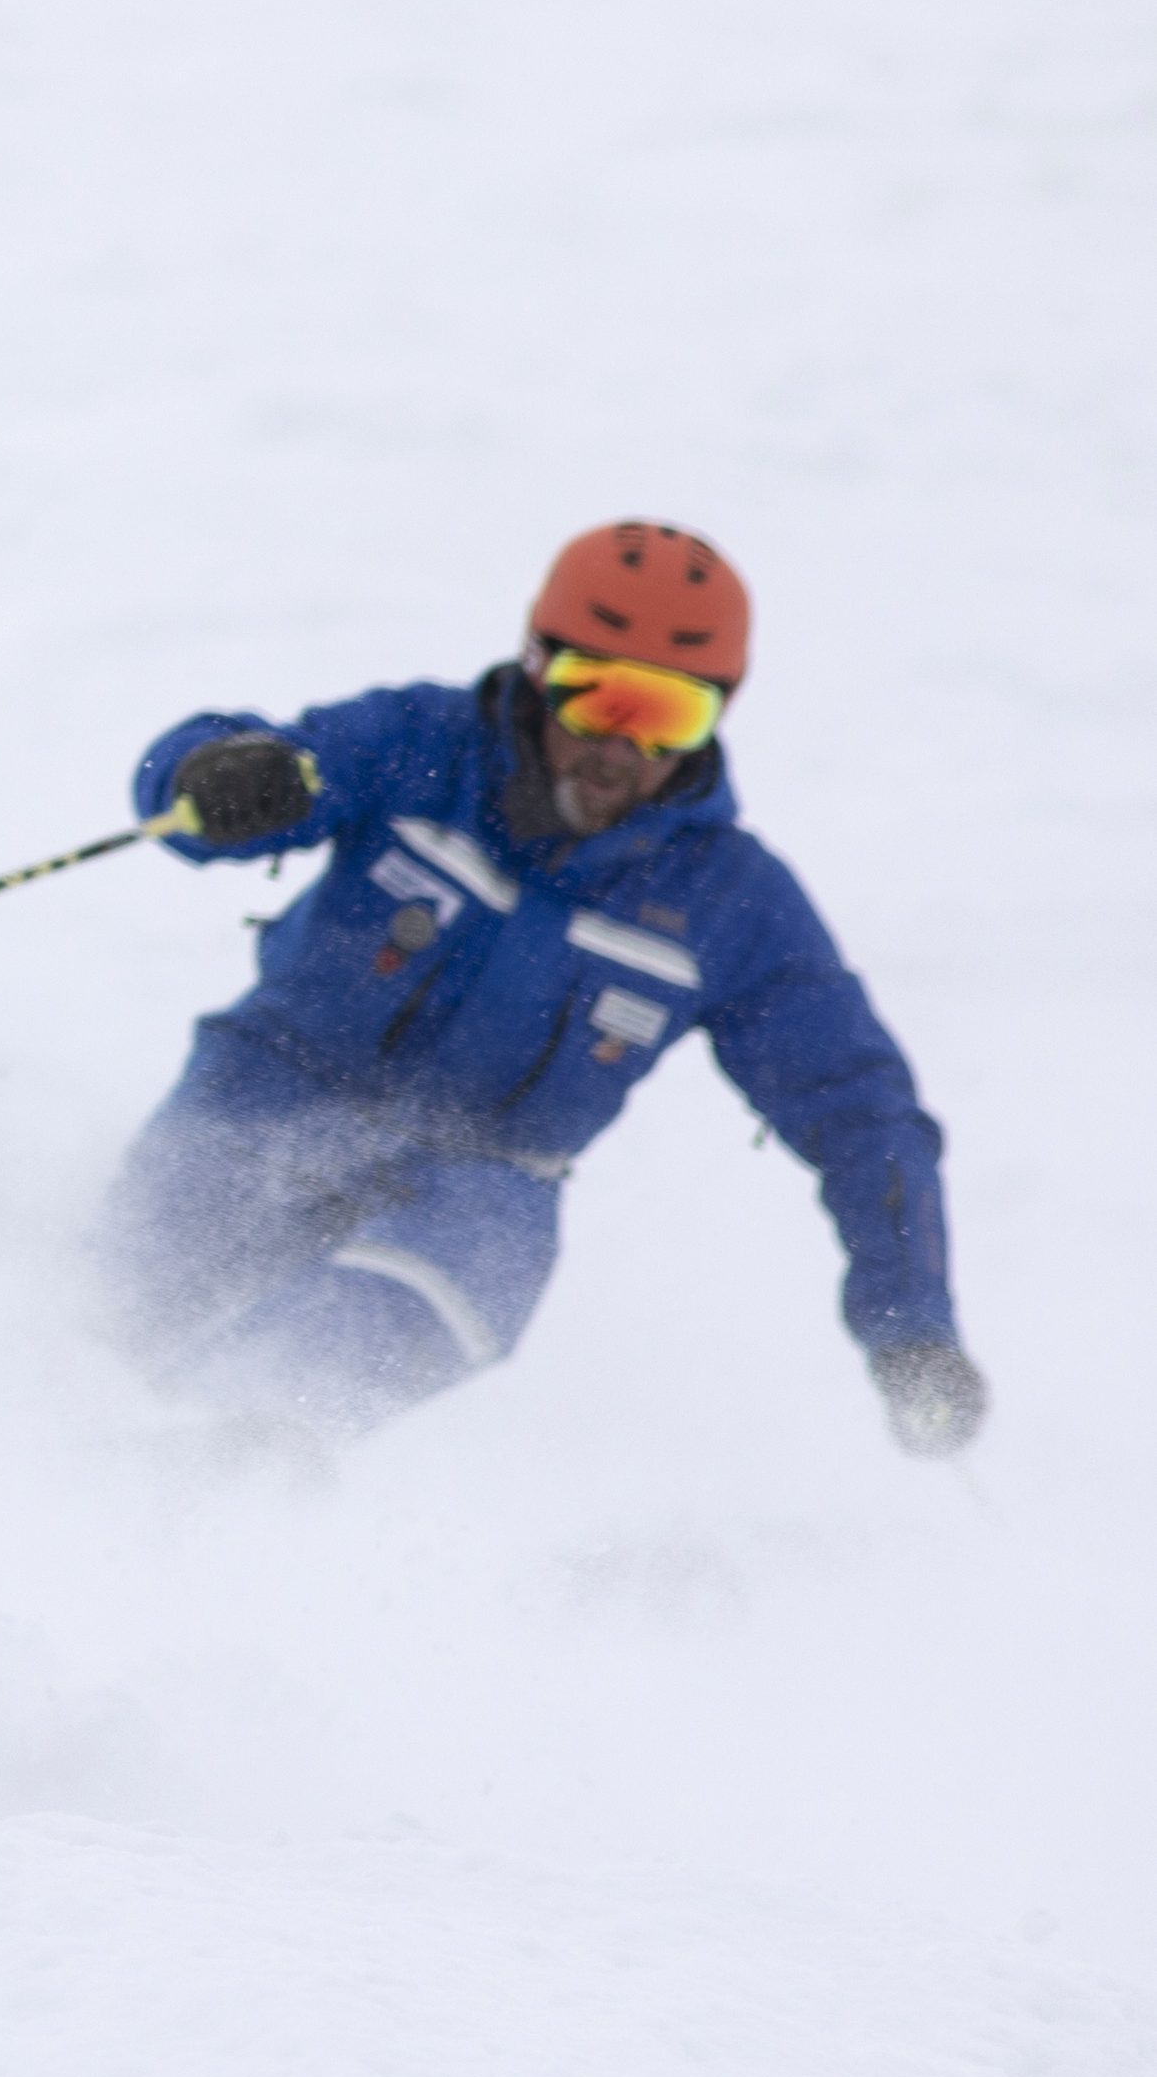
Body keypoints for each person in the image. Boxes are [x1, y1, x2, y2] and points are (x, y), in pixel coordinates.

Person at [103, 520, 987, 1454]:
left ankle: (248, 1443)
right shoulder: (418, 749)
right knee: (112, 1314)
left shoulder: (726, 902)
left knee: (476, 1253)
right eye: (593, 698)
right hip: (269, 1100)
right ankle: (67, 1421)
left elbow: (862, 1112)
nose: (619, 749)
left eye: (666, 717)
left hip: (474, 1180)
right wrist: (224, 774)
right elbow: (206, 793)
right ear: (536, 670)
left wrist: (913, 1333)